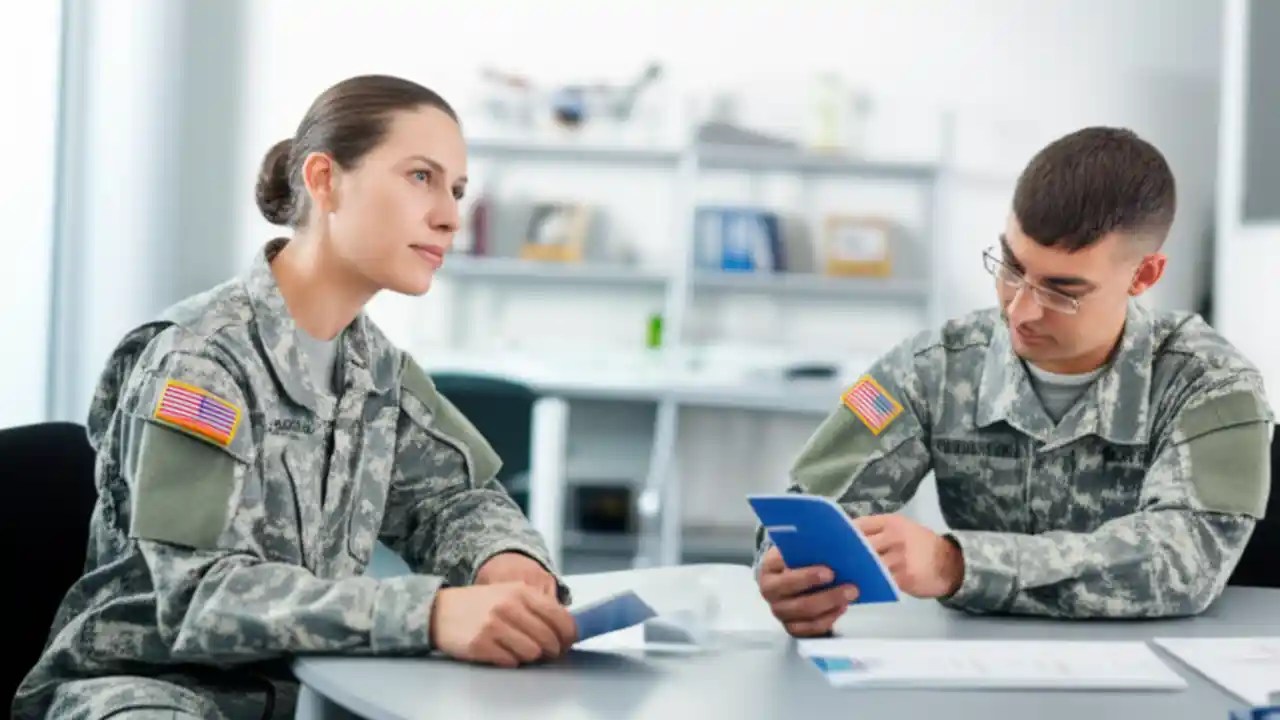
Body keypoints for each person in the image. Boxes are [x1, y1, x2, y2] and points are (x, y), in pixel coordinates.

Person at [13, 75, 579, 720]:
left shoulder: (377, 370)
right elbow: (198, 595)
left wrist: (504, 560)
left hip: (305, 691)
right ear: (325, 179)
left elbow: (454, 498)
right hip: (149, 690)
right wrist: (429, 613)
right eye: (420, 177)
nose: (449, 215)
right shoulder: (200, 362)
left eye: (456, 189)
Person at [756, 126, 1273, 635]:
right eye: (1011, 266)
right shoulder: (927, 368)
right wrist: (794, 572)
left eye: (1061, 290)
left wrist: (957, 565)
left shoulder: (1214, 388)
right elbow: (809, 510)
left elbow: (1188, 562)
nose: (1021, 310)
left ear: (1143, 276)